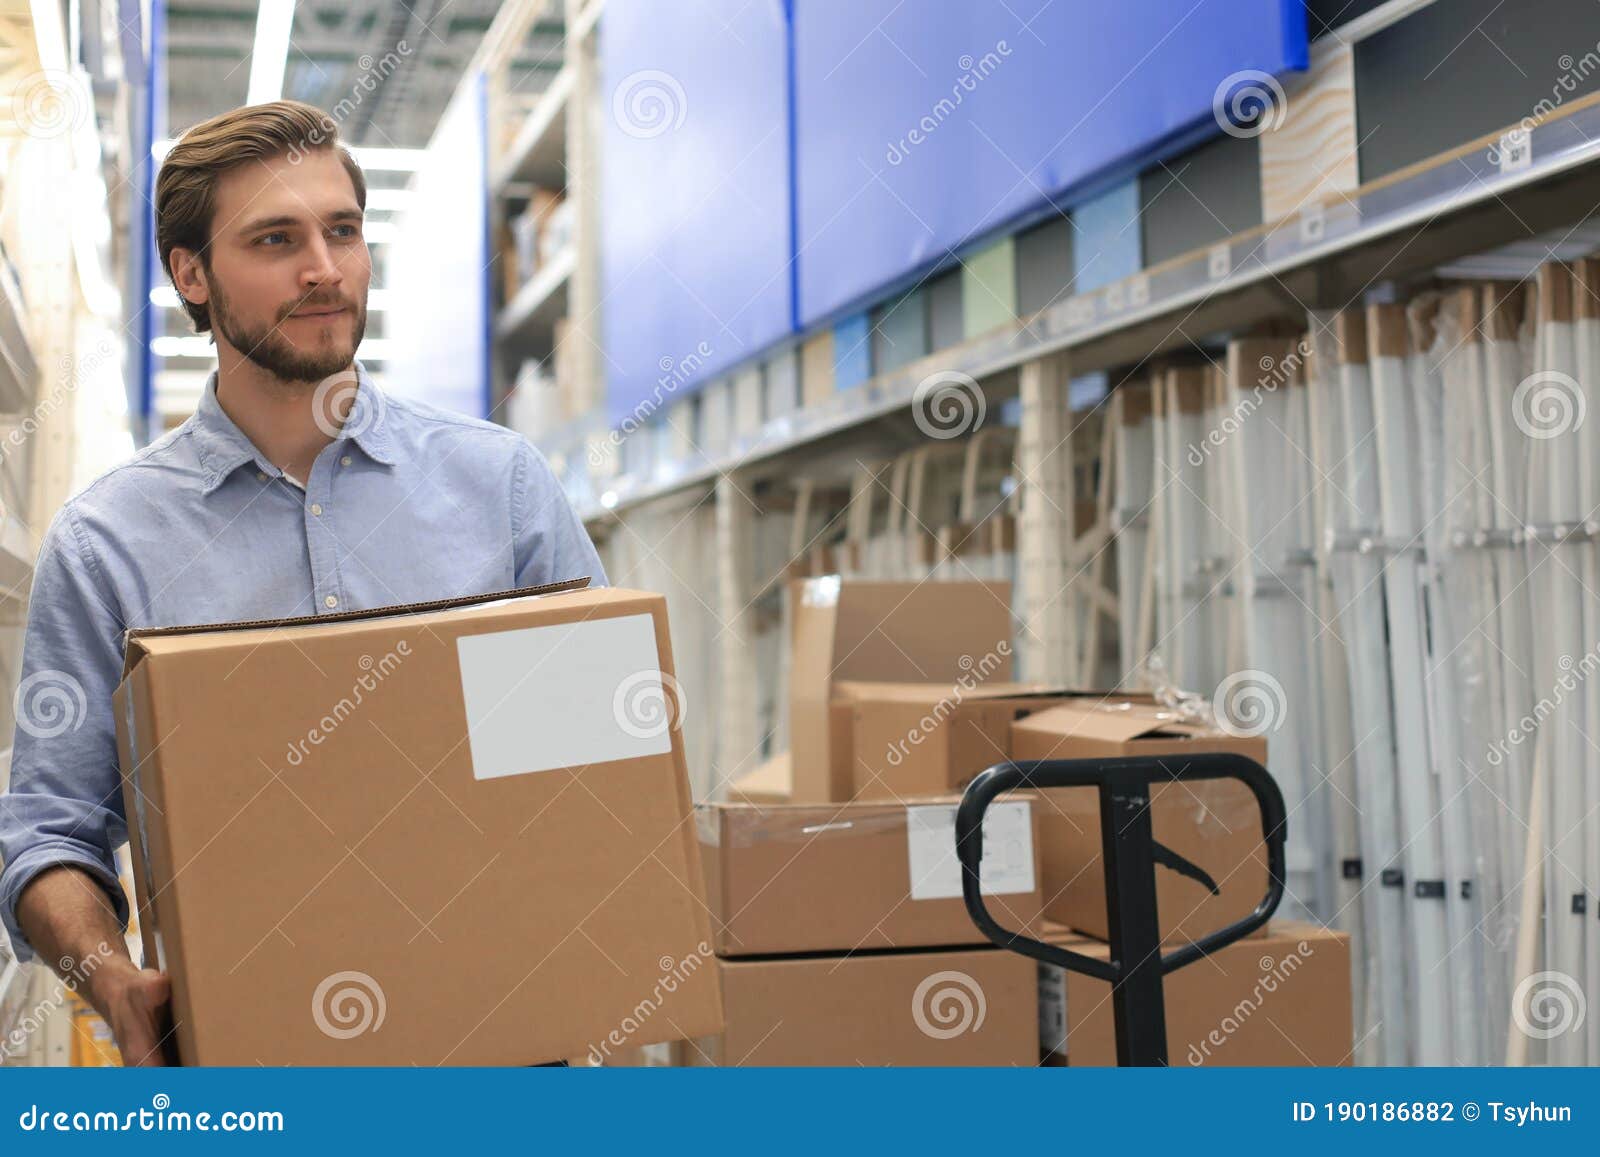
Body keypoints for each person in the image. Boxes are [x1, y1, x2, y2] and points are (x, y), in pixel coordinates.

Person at [0, 101, 606, 1065]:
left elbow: (600, 774)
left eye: (345, 232)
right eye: (276, 239)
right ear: (189, 272)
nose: (324, 268)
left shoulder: (502, 490)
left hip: (508, 1060)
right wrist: (109, 975)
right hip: (253, 1064)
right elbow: (48, 836)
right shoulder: (106, 544)